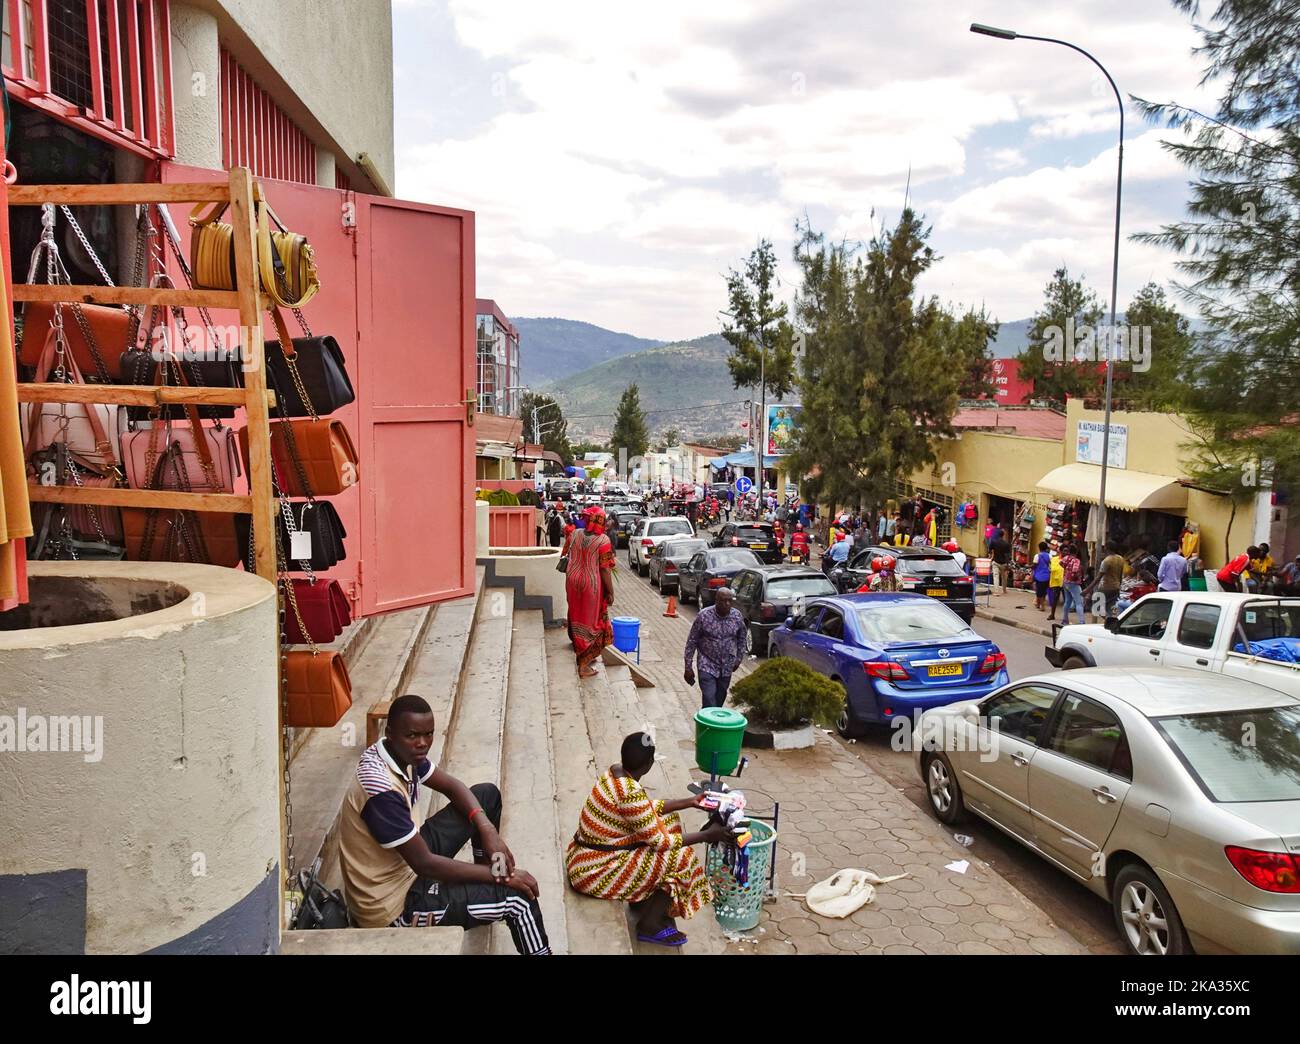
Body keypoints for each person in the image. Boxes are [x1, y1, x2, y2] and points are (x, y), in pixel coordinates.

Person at [337, 694, 550, 953]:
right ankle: (492, 887)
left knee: (485, 795)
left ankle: (485, 884)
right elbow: (425, 863)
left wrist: (488, 829)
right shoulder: (379, 788)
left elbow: (451, 785)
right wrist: (503, 876)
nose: (423, 743)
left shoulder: (402, 754)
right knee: (520, 900)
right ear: (390, 732)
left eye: (429, 734)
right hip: (393, 905)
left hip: (405, 864)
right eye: (413, 735)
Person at [566, 732, 729, 947]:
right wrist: (707, 836)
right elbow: (660, 842)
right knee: (682, 858)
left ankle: (643, 896)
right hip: (594, 870)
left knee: (670, 820)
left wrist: (689, 802)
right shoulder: (629, 792)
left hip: (589, 857)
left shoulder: (615, 773)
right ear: (650, 764)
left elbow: (645, 811)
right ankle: (648, 926)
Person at [566, 506, 616, 678]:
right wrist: (611, 591)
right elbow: (604, 570)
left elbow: (566, 553)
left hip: (572, 580)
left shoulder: (575, 534)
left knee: (576, 616)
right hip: (590, 585)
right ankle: (583, 665)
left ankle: (582, 654)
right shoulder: (603, 541)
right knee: (591, 623)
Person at [683, 586, 746, 709]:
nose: (727, 604)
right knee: (709, 698)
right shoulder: (704, 616)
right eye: (723, 600)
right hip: (707, 664)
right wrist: (688, 667)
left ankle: (711, 724)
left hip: (727, 666)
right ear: (716, 600)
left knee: (719, 701)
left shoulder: (737, 617)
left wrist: (738, 659)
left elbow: (742, 638)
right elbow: (692, 641)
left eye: (729, 601)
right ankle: (707, 726)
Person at [1086, 542, 1127, 619]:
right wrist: (1119, 586)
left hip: (1105, 587)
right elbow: (1121, 574)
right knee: (1109, 607)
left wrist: (1087, 589)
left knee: (1096, 607)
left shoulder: (1106, 561)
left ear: (1107, 548)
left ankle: (1108, 620)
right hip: (1116, 587)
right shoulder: (1120, 559)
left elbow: (1098, 577)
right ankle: (1110, 622)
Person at [1058, 543, 1085, 626]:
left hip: (1065, 582)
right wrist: (1078, 577)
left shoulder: (1066, 558)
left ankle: (1065, 619)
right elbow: (1075, 570)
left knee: (1067, 601)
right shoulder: (1076, 560)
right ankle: (1081, 621)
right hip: (1073, 583)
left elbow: (1060, 563)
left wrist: (1066, 569)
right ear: (1076, 552)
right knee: (1079, 602)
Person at [1045, 550, 1064, 619]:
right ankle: (1052, 614)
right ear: (1060, 552)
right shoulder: (1054, 559)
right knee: (1055, 598)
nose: (1065, 552)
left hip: (1065, 581)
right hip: (1056, 581)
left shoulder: (1068, 559)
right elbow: (1052, 569)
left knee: (1067, 600)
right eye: (1064, 551)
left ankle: (1065, 617)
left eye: (1067, 551)